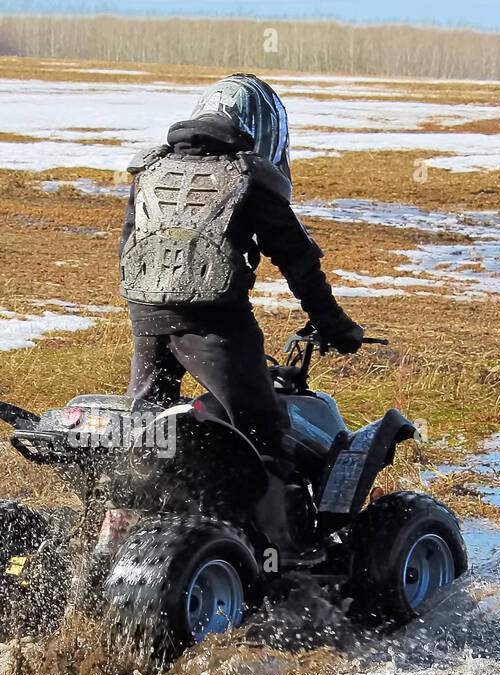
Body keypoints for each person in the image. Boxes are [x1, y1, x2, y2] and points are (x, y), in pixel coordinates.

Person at [119, 73, 364, 472]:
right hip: (216, 326)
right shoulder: (250, 175)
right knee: (265, 441)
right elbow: (299, 262)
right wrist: (336, 327)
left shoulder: (150, 167)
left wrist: (148, 307)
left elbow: (128, 246)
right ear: (263, 127)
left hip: (147, 319)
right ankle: (275, 533)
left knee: (145, 435)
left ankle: (128, 511)